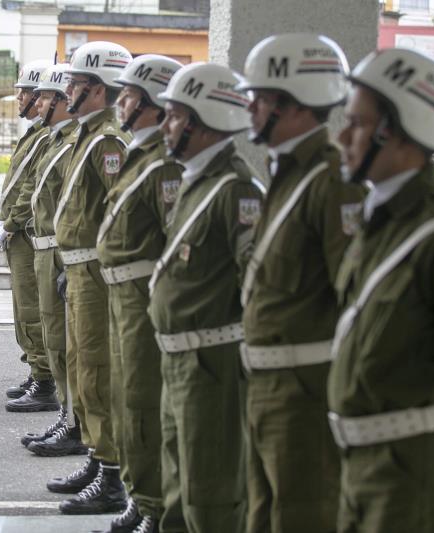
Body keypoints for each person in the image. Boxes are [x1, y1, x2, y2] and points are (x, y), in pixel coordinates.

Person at [329, 47, 434, 533]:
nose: (341, 137)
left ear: (395, 131)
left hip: (415, 477)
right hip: (363, 468)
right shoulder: (381, 223)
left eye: (356, 123)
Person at [236, 34, 366, 533]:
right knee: (263, 516)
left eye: (261, 98)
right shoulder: (288, 173)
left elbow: (354, 298)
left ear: (294, 105)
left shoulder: (334, 180)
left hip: (306, 395)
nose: (250, 108)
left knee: (303, 517)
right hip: (269, 386)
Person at [148, 62, 262, 533]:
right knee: (178, 486)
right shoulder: (195, 180)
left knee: (210, 492)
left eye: (174, 115)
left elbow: (256, 280)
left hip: (211, 364)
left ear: (204, 121)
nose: (165, 124)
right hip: (180, 359)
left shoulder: (235, 189)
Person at [95, 53, 183, 533]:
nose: (120, 101)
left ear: (154, 106)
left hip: (143, 299)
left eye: (129, 95)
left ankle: (155, 504)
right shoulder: (139, 155)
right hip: (120, 295)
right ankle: (139, 492)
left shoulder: (164, 167)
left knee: (145, 402)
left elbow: (175, 241)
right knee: (125, 397)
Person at [49, 40, 132, 515]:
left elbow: (117, 216)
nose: (69, 91)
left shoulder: (108, 142)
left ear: (98, 91)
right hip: (79, 268)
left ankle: (113, 475)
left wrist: (92, 265)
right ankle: (100, 460)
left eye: (77, 84)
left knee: (97, 370)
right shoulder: (87, 134)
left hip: (97, 275)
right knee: (82, 368)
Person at [20, 63, 88, 457]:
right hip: (49, 247)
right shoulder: (60, 140)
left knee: (68, 346)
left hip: (65, 254)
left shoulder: (81, 143)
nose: (38, 101)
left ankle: (77, 424)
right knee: (54, 339)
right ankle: (68, 415)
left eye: (46, 96)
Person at [0, 59, 58, 412]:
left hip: (29, 235)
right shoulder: (35, 132)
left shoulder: (46, 136)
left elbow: (32, 190)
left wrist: (11, 223)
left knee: (32, 308)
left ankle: (44, 380)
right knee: (23, 307)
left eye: (27, 94)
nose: (20, 98)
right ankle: (36, 370)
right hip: (20, 235)